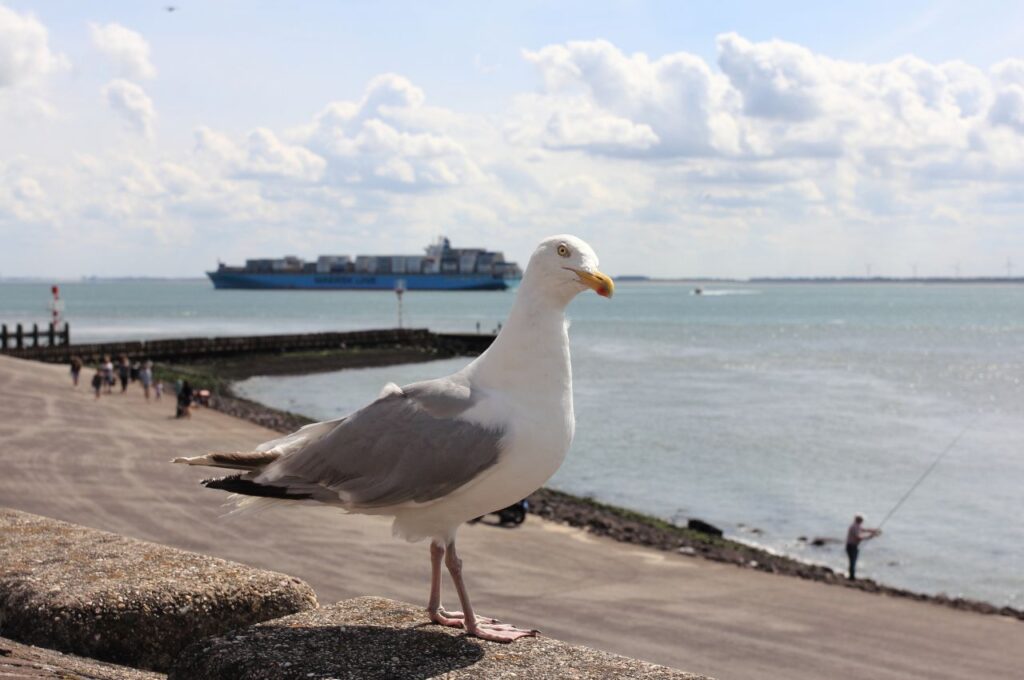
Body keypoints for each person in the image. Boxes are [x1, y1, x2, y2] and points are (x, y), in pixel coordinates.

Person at [846, 514, 881, 580]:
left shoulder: (857, 526)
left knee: (853, 561)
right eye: (862, 520)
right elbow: (858, 537)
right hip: (851, 546)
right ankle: (851, 577)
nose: (862, 521)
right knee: (853, 561)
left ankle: (852, 576)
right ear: (860, 520)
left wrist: (874, 530)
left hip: (853, 546)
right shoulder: (854, 527)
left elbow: (865, 530)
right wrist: (870, 536)